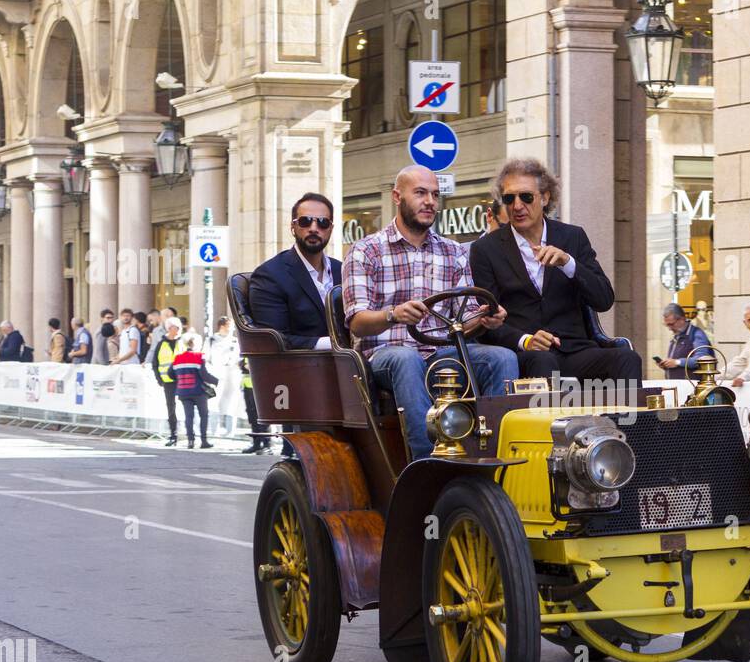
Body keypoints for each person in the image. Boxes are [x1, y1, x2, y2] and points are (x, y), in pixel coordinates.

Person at [345, 165, 517, 460]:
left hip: (440, 351)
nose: (430, 202)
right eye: (421, 193)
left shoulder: (453, 251)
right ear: (397, 196)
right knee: (406, 358)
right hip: (386, 354)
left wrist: (486, 317)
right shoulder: (365, 251)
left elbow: (465, 321)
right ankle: (426, 463)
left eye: (435, 195)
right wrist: (393, 314)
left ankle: (494, 455)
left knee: (502, 357)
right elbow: (358, 323)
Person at [469, 157, 642, 384]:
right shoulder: (485, 249)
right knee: (544, 362)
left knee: (627, 358)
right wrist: (525, 340)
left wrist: (568, 263)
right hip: (525, 354)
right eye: (509, 198)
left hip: (576, 350)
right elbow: (489, 322)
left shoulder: (572, 236)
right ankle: (556, 421)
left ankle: (626, 421)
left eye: (526, 197)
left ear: (545, 197)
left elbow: (604, 299)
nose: (517, 205)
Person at [249, 192, 343, 350]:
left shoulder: (342, 270)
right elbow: (275, 340)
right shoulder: (269, 275)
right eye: (305, 221)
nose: (314, 228)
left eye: (323, 223)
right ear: (293, 227)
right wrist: (334, 344)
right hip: (299, 370)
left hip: (351, 366)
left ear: (331, 229)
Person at [169, 334, 218, 449]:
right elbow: (204, 375)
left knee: (189, 416)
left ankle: (190, 441)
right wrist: (216, 381)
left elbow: (170, 373)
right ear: (196, 344)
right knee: (203, 415)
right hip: (198, 391)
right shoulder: (199, 357)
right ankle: (204, 441)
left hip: (183, 391)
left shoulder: (177, 358)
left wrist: (180, 379)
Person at [151, 316, 186, 446]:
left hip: (183, 380)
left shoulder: (182, 343)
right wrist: (159, 379)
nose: (176, 330)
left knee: (186, 406)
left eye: (178, 328)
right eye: (174, 328)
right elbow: (155, 363)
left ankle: (189, 433)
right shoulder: (161, 344)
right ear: (169, 328)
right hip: (168, 381)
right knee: (171, 408)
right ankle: (173, 434)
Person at [656, 303, 710, 379]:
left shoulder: (696, 334)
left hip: (691, 386)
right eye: (667, 325)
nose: (669, 328)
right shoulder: (677, 335)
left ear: (682, 319)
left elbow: (702, 359)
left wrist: (677, 362)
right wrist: (667, 365)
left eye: (671, 324)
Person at [208, 316, 242, 436]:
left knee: (232, 401)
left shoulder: (235, 341)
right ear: (222, 326)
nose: (232, 329)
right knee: (215, 400)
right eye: (230, 326)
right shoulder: (211, 339)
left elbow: (239, 357)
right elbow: (206, 357)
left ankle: (230, 430)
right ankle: (214, 429)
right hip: (216, 373)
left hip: (232, 374)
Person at [238, 357, 271, 455]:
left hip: (259, 387)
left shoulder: (258, 350)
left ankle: (267, 445)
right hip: (248, 387)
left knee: (262, 417)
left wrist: (248, 366)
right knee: (252, 416)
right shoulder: (246, 353)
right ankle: (256, 444)